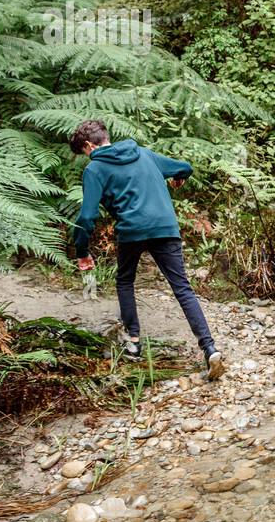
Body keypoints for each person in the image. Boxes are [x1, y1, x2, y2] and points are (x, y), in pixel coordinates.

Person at [69, 120, 225, 379]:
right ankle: (209, 348)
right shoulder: (143, 153)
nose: (87, 157)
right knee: (182, 288)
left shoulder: (95, 169)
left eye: (84, 152)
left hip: (131, 232)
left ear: (88, 145)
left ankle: (134, 342)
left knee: (125, 281)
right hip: (165, 227)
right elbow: (185, 167)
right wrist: (179, 178)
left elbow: (87, 217)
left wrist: (82, 251)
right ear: (106, 136)